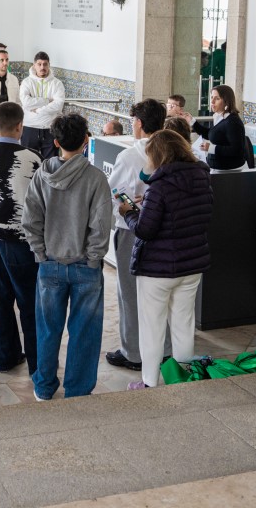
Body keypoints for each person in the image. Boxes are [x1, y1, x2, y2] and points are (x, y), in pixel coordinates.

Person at [22, 113, 111, 400]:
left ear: (56, 142)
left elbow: (30, 220)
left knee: (47, 331)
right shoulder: (96, 178)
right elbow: (100, 225)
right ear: (87, 141)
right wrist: (95, 258)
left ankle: (44, 387)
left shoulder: (41, 176)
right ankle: (77, 391)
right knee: (84, 333)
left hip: (49, 264)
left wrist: (40, 254)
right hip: (87, 267)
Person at [118, 130, 213, 389]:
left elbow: (145, 230)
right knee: (183, 323)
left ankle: (150, 382)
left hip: (157, 269)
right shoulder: (202, 178)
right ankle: (181, 377)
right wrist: (147, 204)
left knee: (153, 328)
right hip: (191, 264)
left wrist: (128, 213)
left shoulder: (159, 186)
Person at [0, 101, 42, 374]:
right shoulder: (34, 158)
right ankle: (37, 364)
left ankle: (4, 357)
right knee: (29, 301)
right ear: (20, 127)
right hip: (22, 240)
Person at [105, 98, 168, 373]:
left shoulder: (130, 155)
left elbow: (116, 192)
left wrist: (131, 209)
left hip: (133, 229)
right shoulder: (173, 149)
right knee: (158, 292)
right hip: (165, 230)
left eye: (134, 121)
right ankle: (164, 349)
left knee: (129, 292)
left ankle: (133, 352)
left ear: (140, 124)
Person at [19, 51, 66, 160]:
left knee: (50, 165)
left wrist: (38, 110)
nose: (42, 67)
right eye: (39, 64)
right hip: (29, 127)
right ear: (34, 65)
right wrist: (46, 101)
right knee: (28, 164)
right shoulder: (26, 82)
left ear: (49, 65)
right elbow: (26, 102)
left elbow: (58, 105)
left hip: (50, 128)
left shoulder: (57, 83)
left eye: (45, 64)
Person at [191, 84, 247, 171]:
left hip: (230, 171)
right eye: (212, 97)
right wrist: (191, 121)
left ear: (226, 101)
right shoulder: (219, 117)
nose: (212, 101)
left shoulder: (232, 122)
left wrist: (211, 148)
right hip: (217, 168)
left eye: (217, 98)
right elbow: (211, 134)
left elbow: (236, 150)